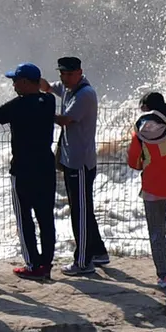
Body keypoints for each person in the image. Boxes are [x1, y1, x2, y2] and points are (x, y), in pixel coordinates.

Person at [0, 63, 61, 279]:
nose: (13, 85)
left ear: (25, 82)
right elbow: (44, 92)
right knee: (46, 218)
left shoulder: (17, 105)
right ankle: (46, 263)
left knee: (24, 218)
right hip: (46, 167)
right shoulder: (49, 101)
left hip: (23, 170)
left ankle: (32, 265)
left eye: (15, 81)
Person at [51, 57, 111, 274]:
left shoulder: (85, 94)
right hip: (71, 160)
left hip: (80, 164)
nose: (64, 78)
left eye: (68, 74)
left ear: (79, 72)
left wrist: (38, 110)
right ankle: (99, 253)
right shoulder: (67, 87)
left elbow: (65, 119)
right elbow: (49, 87)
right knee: (83, 209)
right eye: (62, 74)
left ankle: (84, 262)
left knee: (80, 212)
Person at [127, 92, 166, 288]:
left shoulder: (140, 132)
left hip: (152, 189)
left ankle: (165, 276)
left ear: (145, 108)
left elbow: (133, 162)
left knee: (157, 233)